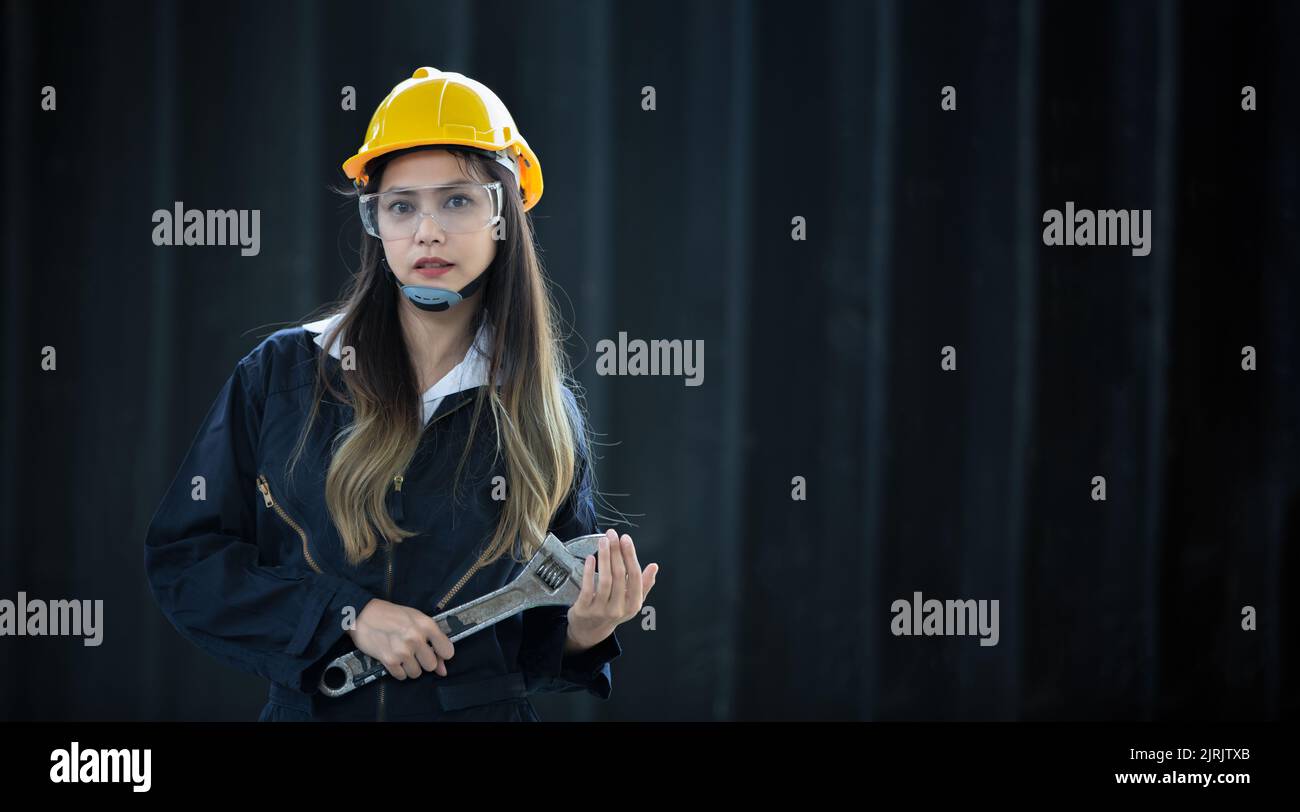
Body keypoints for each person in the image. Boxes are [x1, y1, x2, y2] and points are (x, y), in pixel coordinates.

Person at [143, 67, 659, 722]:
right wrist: (346, 616)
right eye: (401, 205)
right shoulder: (283, 374)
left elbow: (531, 651)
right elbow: (187, 561)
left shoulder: (545, 414)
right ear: (375, 222)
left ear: (503, 218)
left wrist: (585, 630)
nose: (428, 231)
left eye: (458, 201)